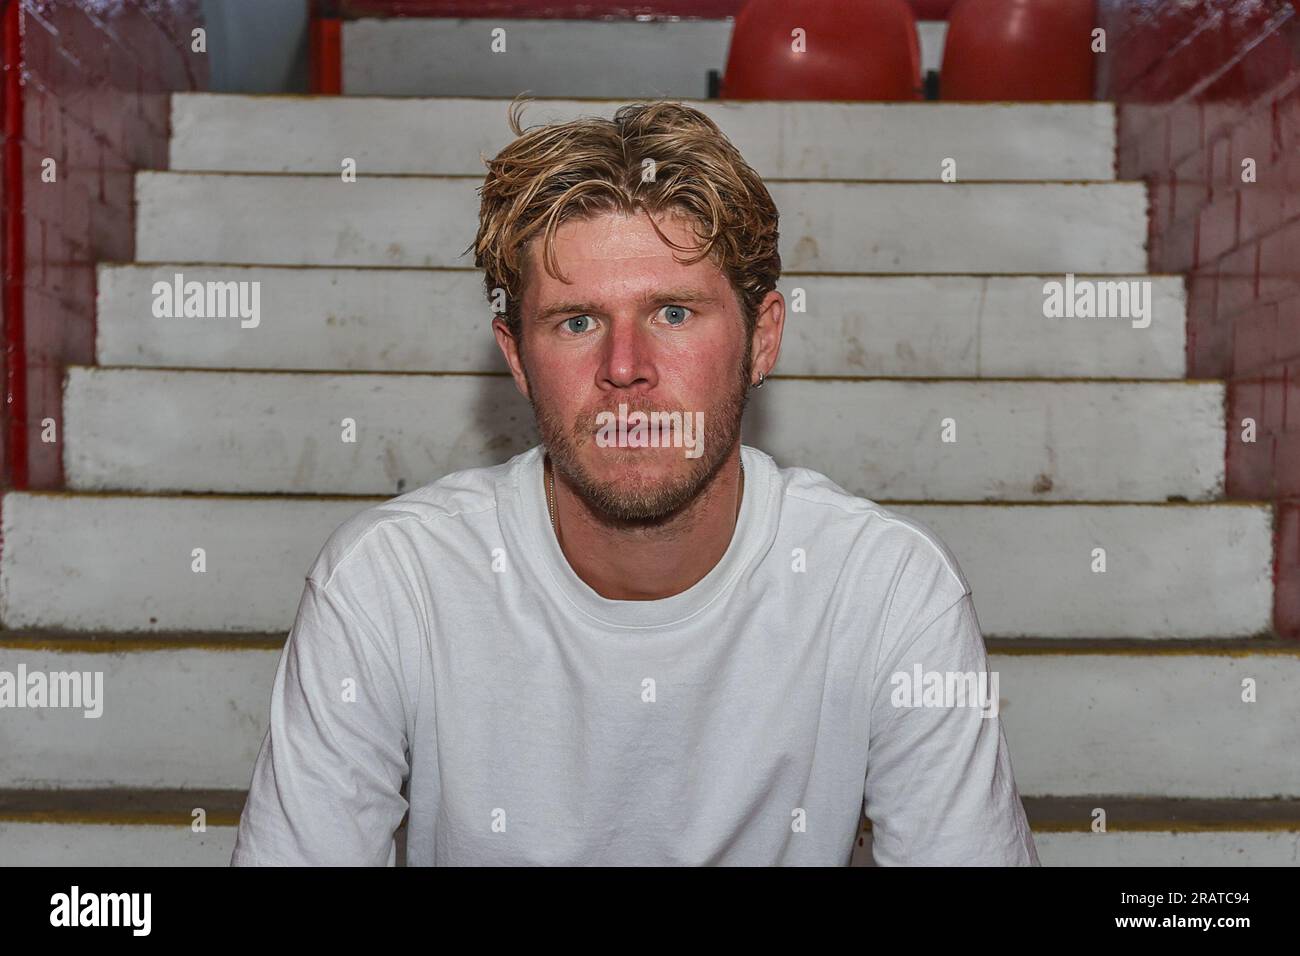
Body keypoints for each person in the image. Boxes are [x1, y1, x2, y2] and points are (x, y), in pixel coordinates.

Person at [231, 98, 1039, 866]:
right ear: (516, 357)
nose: (625, 370)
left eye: (674, 313)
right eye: (576, 322)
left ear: (763, 339)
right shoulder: (388, 585)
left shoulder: (887, 589)